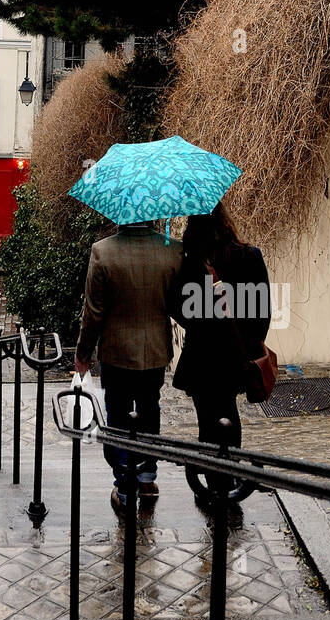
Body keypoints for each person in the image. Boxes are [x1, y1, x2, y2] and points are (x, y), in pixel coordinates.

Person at [75, 222, 182, 514]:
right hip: (155, 352)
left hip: (117, 352)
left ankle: (124, 486)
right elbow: (178, 306)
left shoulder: (103, 252)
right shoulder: (172, 250)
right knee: (150, 409)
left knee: (118, 416)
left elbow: (93, 312)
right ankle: (147, 478)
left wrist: (83, 353)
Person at [171, 202, 271, 452]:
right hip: (234, 354)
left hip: (201, 356)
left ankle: (210, 484)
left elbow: (175, 305)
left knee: (206, 421)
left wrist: (199, 326)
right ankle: (229, 476)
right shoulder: (250, 256)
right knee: (229, 413)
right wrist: (249, 342)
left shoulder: (190, 262)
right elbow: (262, 310)